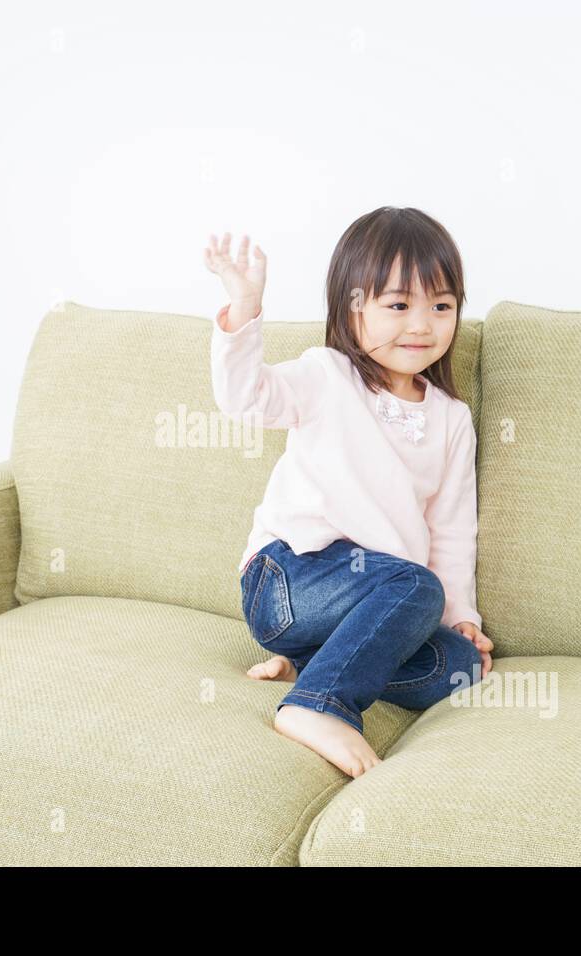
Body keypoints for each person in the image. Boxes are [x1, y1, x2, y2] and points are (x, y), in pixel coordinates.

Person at [203, 206, 494, 778]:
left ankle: (312, 666)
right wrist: (244, 310)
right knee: (414, 584)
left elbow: (453, 528)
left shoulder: (451, 418)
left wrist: (460, 615)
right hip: (288, 579)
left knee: (461, 667)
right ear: (352, 306)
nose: (421, 324)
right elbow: (246, 398)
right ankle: (318, 706)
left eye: (441, 306)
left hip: (374, 603)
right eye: (398, 305)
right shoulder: (327, 376)